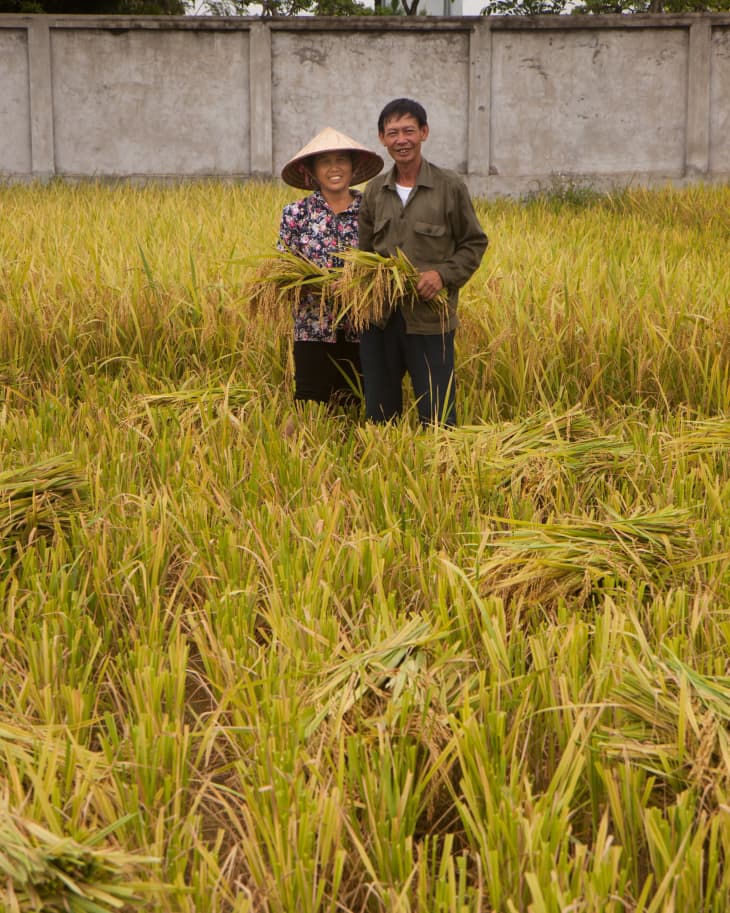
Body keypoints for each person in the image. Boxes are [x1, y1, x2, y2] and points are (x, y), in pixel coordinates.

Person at [358, 98, 488, 427]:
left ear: (424, 133)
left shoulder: (449, 188)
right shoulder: (374, 192)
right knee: (380, 417)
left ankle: (441, 472)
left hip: (430, 322)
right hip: (382, 319)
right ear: (382, 138)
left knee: (438, 416)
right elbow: (364, 256)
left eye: (408, 131)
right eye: (392, 133)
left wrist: (443, 276)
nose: (401, 140)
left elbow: (474, 242)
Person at [278, 127, 384, 407]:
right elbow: (282, 270)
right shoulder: (295, 214)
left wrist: (354, 285)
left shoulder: (371, 210)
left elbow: (385, 264)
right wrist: (315, 285)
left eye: (341, 160)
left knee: (355, 405)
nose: (334, 168)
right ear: (312, 170)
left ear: (353, 166)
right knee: (309, 405)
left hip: (361, 328)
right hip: (312, 327)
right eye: (325, 161)